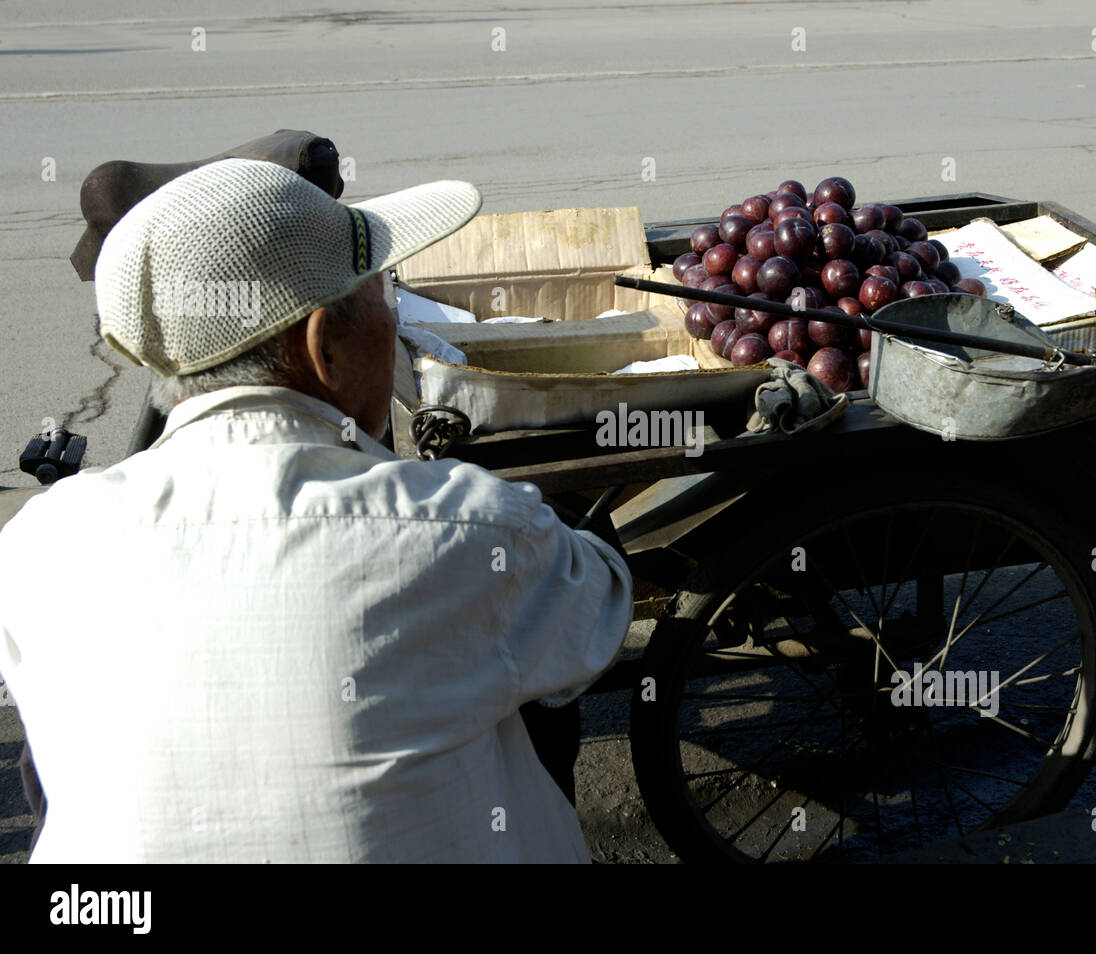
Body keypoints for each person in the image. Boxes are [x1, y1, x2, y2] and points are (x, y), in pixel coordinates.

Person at [0, 158, 633, 863]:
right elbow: (598, 607)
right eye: (383, 292)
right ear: (323, 344)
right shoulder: (465, 529)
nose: (394, 318)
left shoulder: (38, 545)